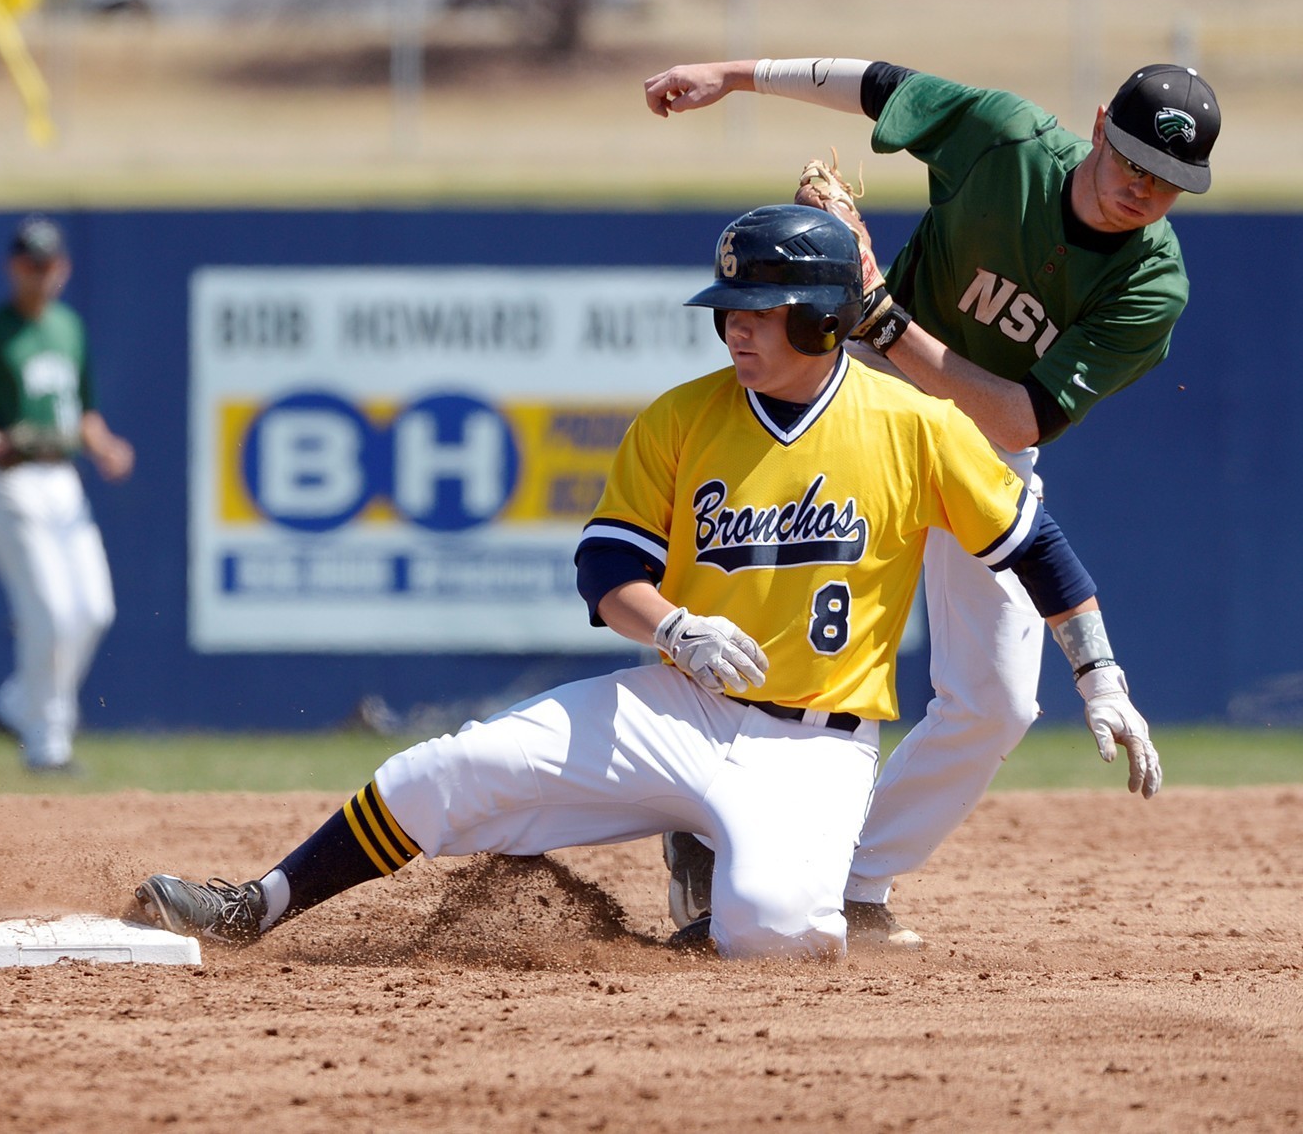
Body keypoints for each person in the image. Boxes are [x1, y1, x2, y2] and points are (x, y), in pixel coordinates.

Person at [131, 204, 1159, 961]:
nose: (736, 329)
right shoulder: (681, 418)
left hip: (815, 744)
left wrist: (1098, 675)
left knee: (783, 935)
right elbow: (607, 566)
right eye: (728, 311)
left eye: (761, 309)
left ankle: (708, 878)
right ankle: (256, 904)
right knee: (445, 769)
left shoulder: (915, 424)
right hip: (680, 700)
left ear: (822, 317)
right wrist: (672, 629)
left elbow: (1034, 547)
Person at [641, 57, 1214, 948]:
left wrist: (884, 320)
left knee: (997, 702)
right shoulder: (1004, 137)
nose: (1142, 188)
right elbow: (873, 82)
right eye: (1134, 159)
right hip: (861, 382)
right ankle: (707, 828)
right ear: (1100, 124)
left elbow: (1016, 412)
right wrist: (734, 77)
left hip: (974, 428)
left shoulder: (1152, 283)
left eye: (1169, 180)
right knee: (771, 616)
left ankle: (853, 878)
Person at [0, 215, 135, 772]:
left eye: (48, 264)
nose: (39, 273)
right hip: (7, 480)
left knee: (93, 609)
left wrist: (106, 446)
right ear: (12, 266)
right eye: (29, 263)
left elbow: (82, 412)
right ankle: (47, 745)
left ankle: (17, 703)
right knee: (49, 613)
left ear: (63, 268)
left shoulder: (68, 328)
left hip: (62, 477)